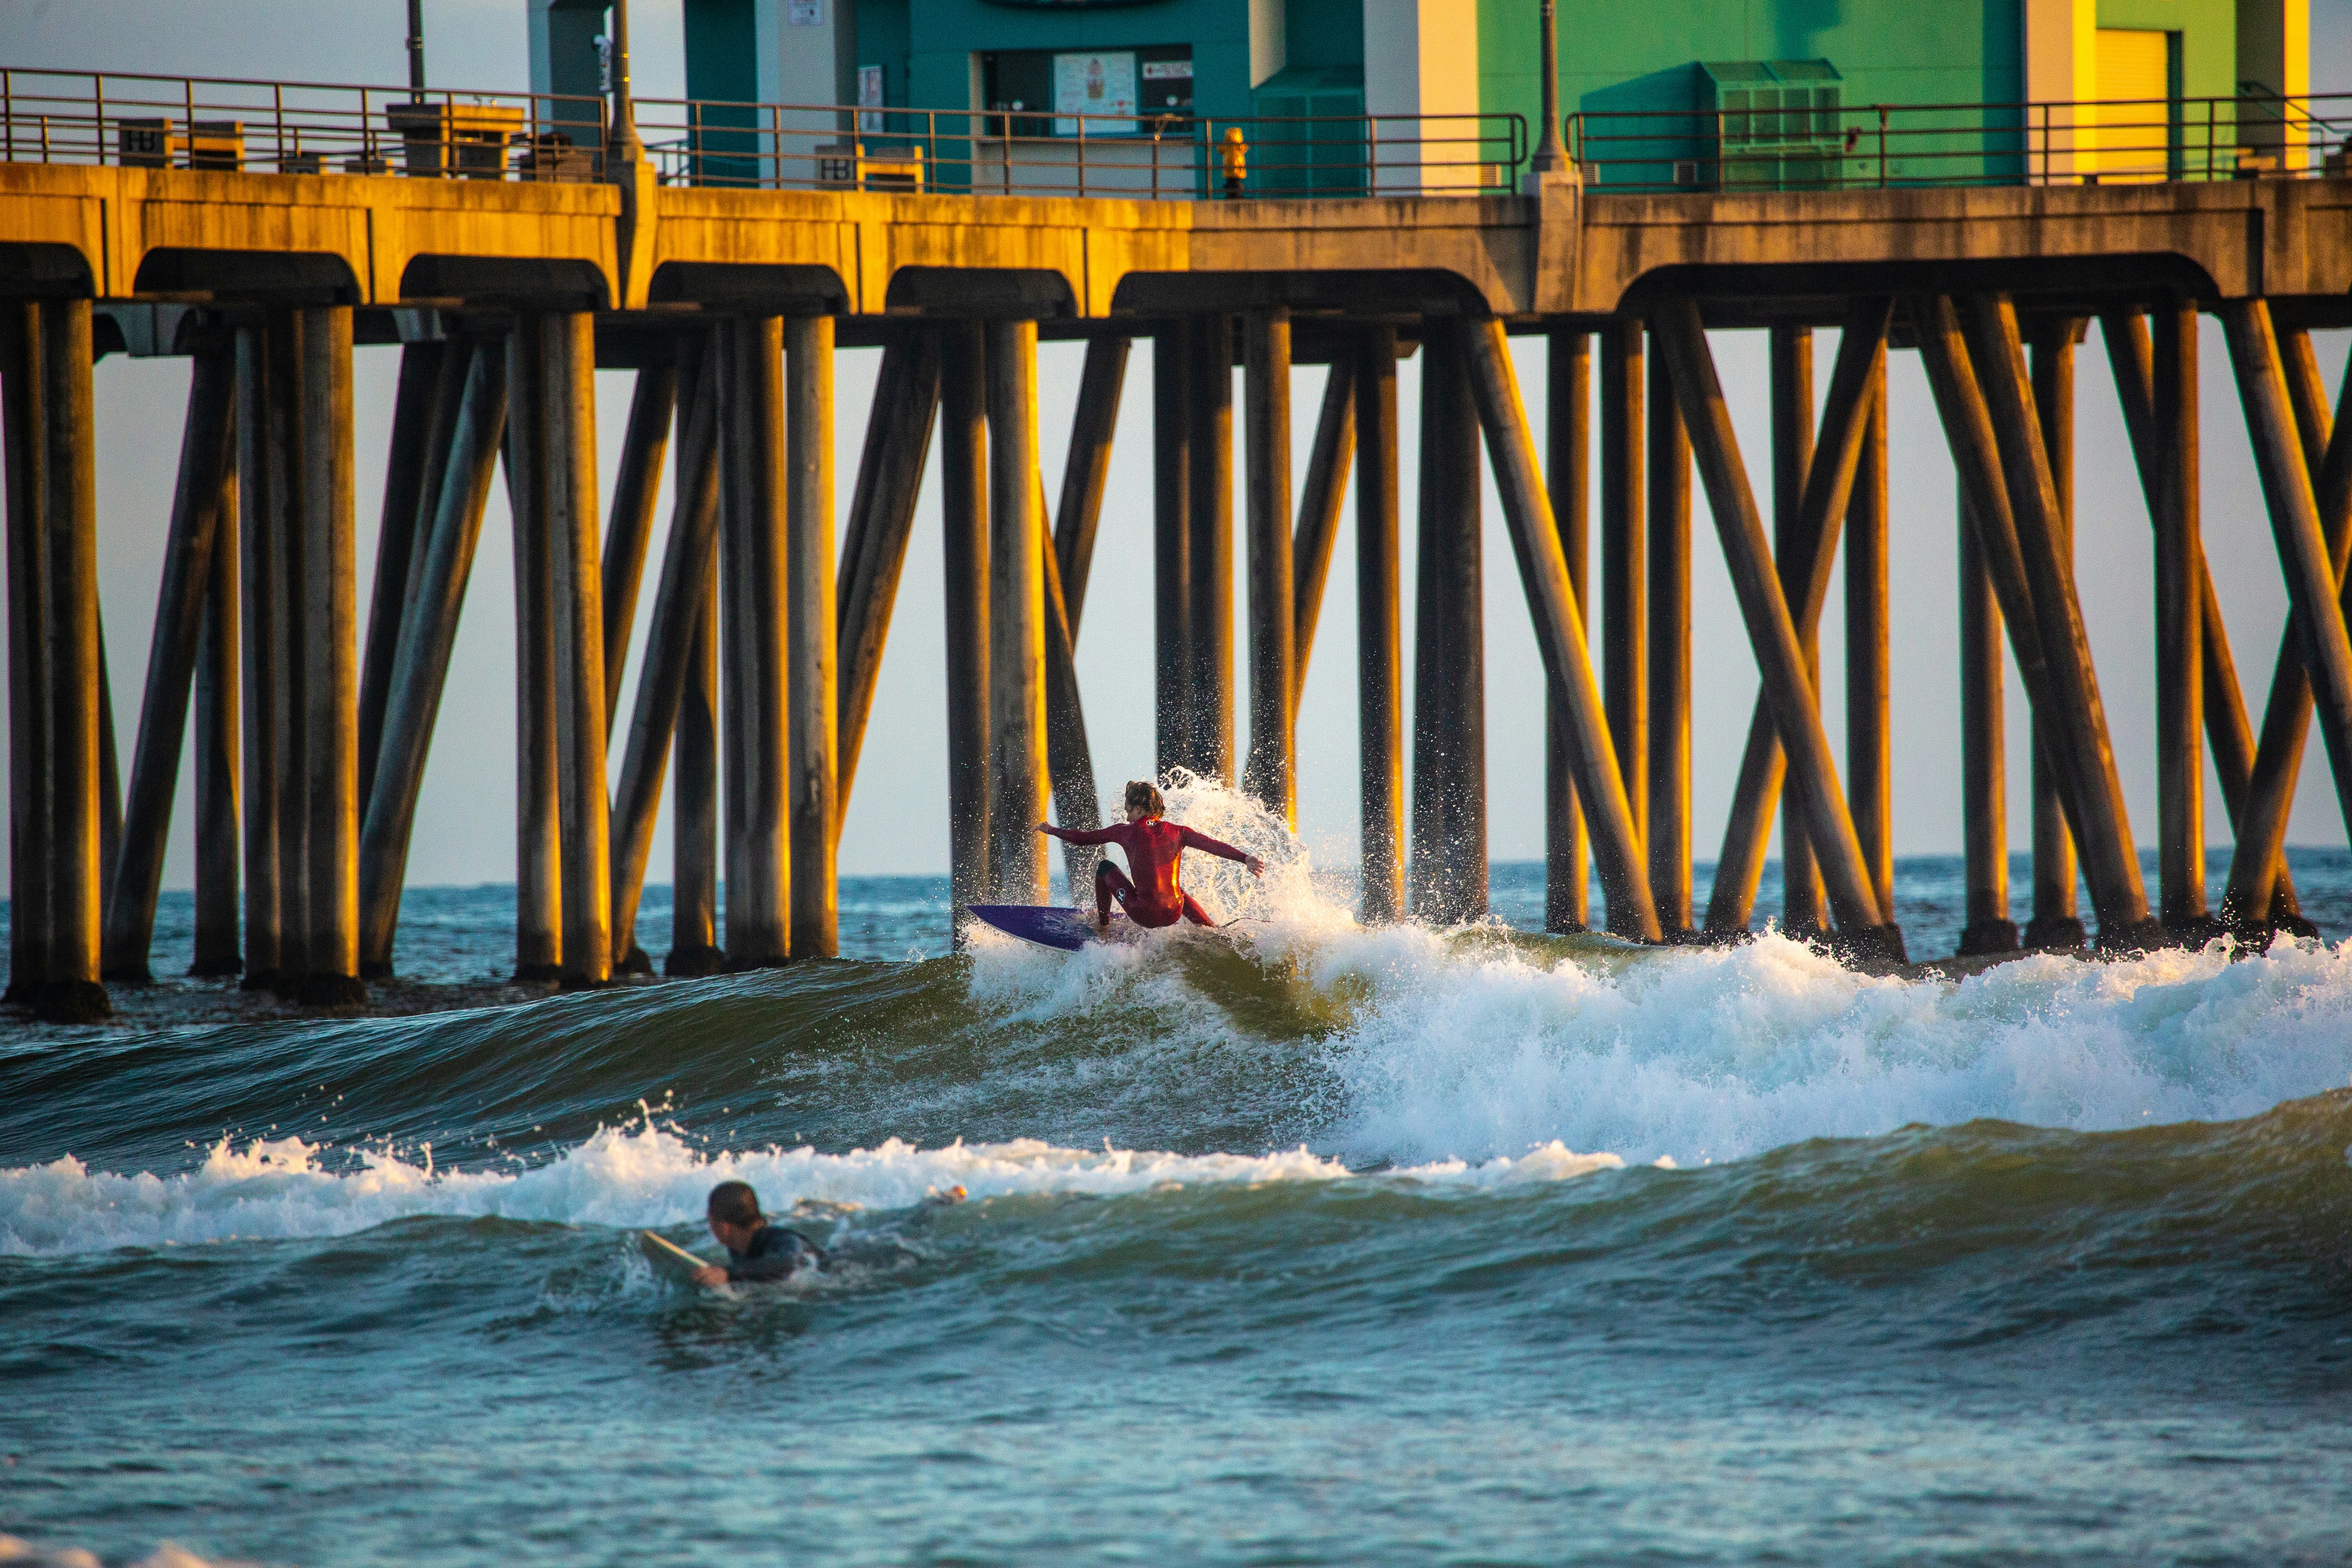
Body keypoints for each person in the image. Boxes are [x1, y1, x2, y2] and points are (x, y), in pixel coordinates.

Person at [1039, 780, 1264, 932]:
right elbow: (1212, 846)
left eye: (1128, 810)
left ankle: (1103, 927)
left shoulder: (1124, 831)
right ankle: (1210, 930)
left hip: (1144, 914)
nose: (1126, 815)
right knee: (1175, 890)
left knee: (1104, 868)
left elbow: (1083, 839)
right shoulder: (1179, 831)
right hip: (1174, 912)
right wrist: (1245, 858)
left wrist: (1050, 829)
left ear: (1138, 810)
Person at [691, 1180, 824, 1287]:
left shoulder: (784, 1241)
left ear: (726, 1227)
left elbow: (789, 1262)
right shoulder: (738, 1248)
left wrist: (729, 1273)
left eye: (711, 1219)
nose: (710, 1226)